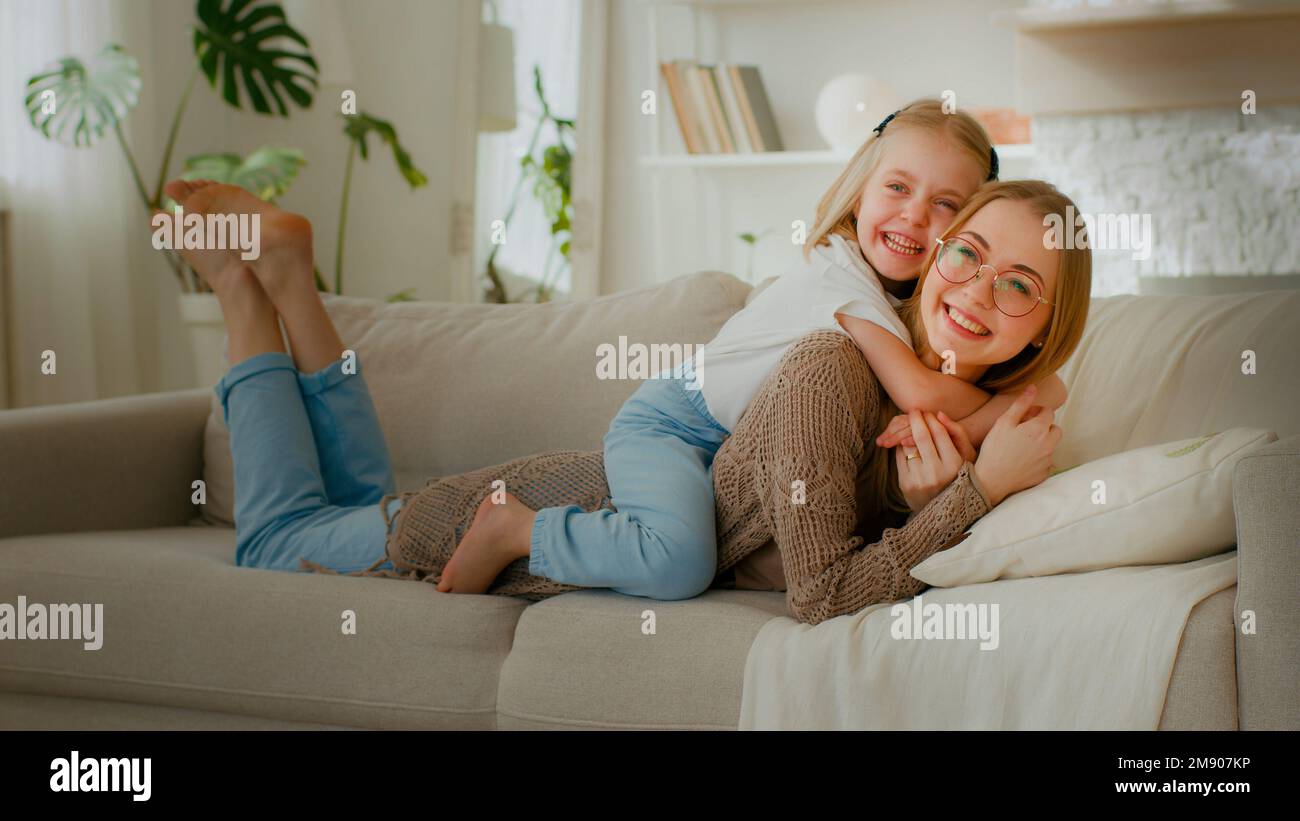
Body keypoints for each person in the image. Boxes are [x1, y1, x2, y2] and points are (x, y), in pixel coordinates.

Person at [160, 174, 1089, 625]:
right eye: (967, 253)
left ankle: (290, 280)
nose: (977, 291)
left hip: (554, 494)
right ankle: (246, 293)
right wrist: (973, 497)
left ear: (1041, 328)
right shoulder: (829, 366)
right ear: (933, 258)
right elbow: (822, 592)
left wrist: (943, 494)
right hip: (520, 514)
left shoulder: (937, 421)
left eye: (1020, 285)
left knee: (365, 502)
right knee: (280, 540)